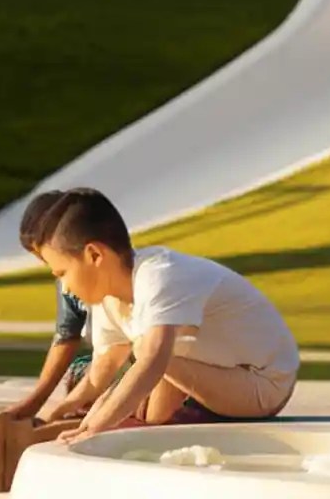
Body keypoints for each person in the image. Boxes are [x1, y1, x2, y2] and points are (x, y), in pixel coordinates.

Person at [28, 189, 298, 443]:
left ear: (95, 255)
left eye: (62, 273)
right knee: (135, 379)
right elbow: (104, 368)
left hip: (263, 383)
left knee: (150, 351)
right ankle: (150, 425)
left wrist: (95, 428)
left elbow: (153, 361)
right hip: (217, 374)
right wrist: (67, 414)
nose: (64, 288)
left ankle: (152, 428)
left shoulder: (158, 275)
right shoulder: (108, 298)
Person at [0, 190, 96, 423]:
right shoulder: (66, 282)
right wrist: (35, 401)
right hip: (107, 359)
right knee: (78, 373)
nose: (51, 269)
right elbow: (66, 336)